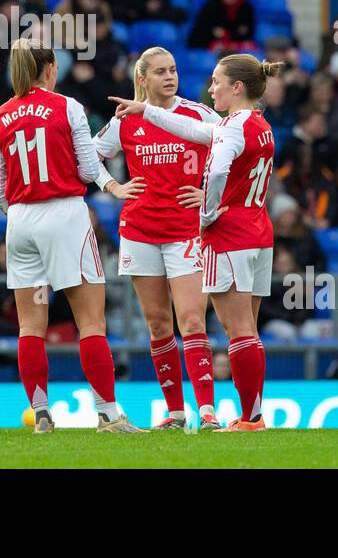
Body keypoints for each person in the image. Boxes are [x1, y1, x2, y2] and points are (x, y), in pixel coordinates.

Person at [110, 53, 284, 432]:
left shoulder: (230, 127)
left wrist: (206, 211)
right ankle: (250, 415)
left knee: (235, 329)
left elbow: (218, 168)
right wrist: (145, 110)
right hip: (258, 231)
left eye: (217, 81)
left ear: (236, 87)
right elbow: (193, 133)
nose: (210, 88)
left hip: (230, 234)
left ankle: (248, 418)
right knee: (248, 331)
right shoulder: (258, 124)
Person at [0, 37, 146, 433]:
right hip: (64, 215)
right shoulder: (67, 106)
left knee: (29, 326)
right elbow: (89, 166)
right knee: (90, 322)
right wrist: (113, 188)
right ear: (50, 68)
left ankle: (41, 413)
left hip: (20, 223)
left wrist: (21, 211)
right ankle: (107, 414)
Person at [93, 47, 220, 429]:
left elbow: (238, 147)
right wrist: (112, 186)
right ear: (142, 79)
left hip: (185, 231)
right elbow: (86, 156)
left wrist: (213, 195)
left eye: (174, 70)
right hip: (140, 232)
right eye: (161, 72)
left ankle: (209, 413)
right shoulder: (125, 120)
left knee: (193, 320)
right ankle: (176, 413)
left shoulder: (197, 113)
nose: (170, 77)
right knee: (159, 325)